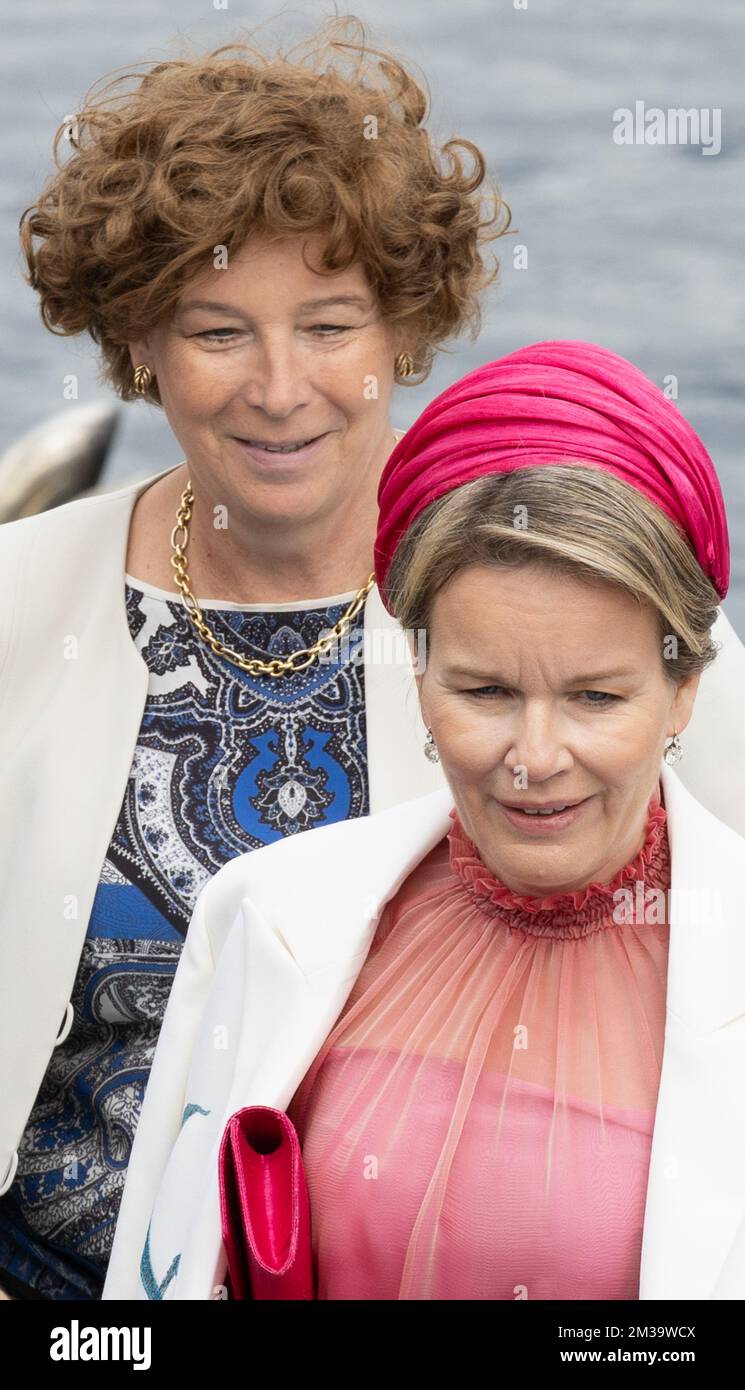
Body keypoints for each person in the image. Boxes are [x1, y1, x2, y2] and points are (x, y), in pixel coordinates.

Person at [0, 18, 510, 1299]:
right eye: (218, 331)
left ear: (404, 330)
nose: (281, 388)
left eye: (330, 324)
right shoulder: (18, 601)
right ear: (138, 347)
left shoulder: (556, 590)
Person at [103, 340, 745, 1301]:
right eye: (483, 690)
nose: (532, 756)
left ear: (683, 688)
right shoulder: (263, 915)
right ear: (416, 667)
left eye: (596, 698)